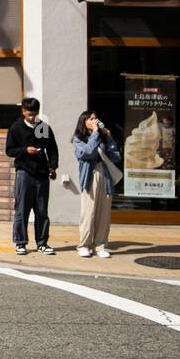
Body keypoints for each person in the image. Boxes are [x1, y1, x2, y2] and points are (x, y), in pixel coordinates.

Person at [5, 97, 59, 255]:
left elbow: (53, 149)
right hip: (24, 172)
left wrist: (53, 167)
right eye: (29, 114)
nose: (32, 117)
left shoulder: (43, 127)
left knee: (42, 210)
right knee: (22, 209)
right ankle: (20, 243)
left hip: (42, 173)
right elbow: (9, 150)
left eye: (35, 114)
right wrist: (25, 150)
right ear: (23, 111)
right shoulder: (16, 128)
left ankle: (42, 243)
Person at [72, 110, 121, 258]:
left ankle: (100, 245)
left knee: (104, 214)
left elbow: (116, 156)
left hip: (105, 176)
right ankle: (84, 245)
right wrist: (94, 133)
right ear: (84, 122)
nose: (95, 121)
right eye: (91, 119)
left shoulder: (102, 137)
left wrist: (109, 137)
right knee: (89, 212)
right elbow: (88, 153)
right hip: (90, 177)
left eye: (96, 118)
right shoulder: (78, 138)